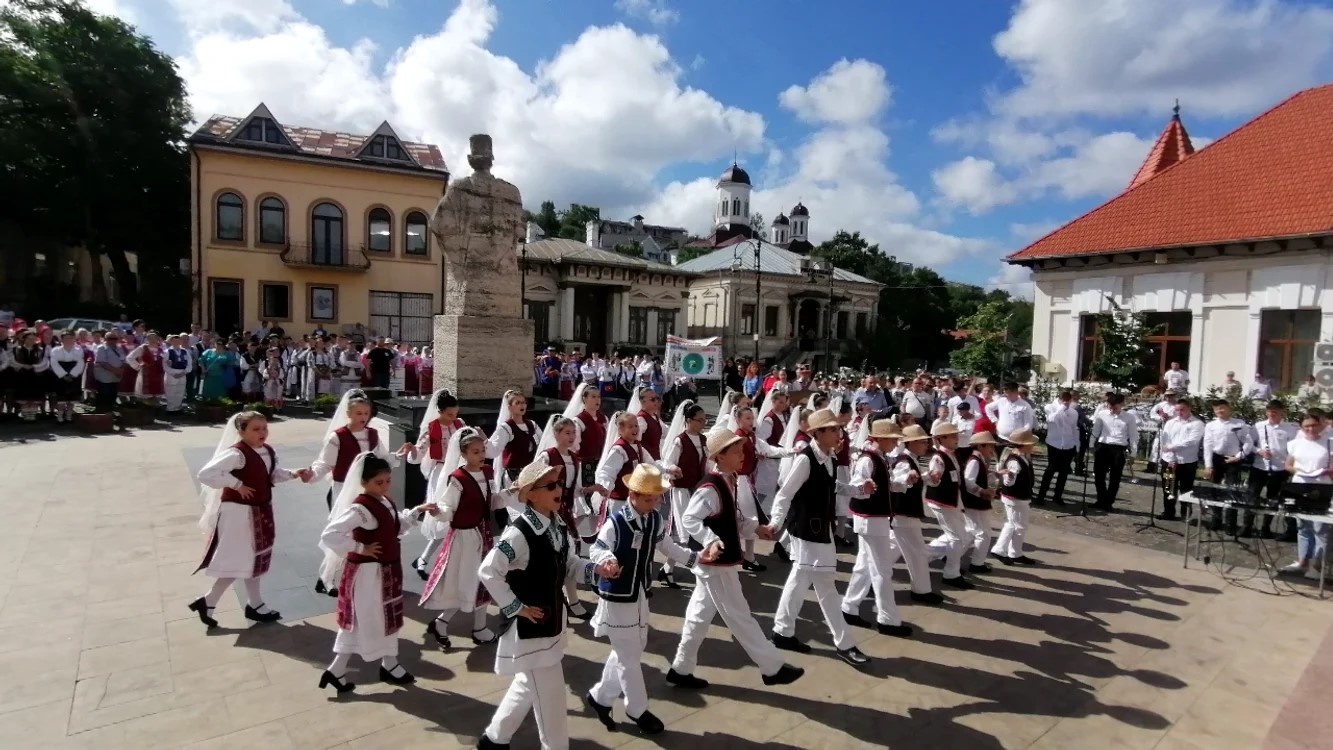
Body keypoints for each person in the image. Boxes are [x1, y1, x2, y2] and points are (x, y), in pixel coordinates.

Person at [475, 463, 615, 750]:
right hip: (531, 630)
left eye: (559, 483)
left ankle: (495, 739)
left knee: (528, 685)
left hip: (550, 623)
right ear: (531, 494)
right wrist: (516, 606)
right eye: (550, 486)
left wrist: (596, 570)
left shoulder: (557, 524)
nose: (559, 489)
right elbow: (488, 571)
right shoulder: (519, 533)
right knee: (551, 698)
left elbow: (569, 564)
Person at [667, 427, 805, 690]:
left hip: (718, 564)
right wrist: (710, 540)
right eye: (736, 451)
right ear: (720, 456)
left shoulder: (729, 481)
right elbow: (689, 518)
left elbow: (735, 519)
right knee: (739, 615)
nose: (742, 455)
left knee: (698, 617)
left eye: (742, 449)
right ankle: (772, 667)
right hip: (716, 565)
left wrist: (755, 528)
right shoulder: (711, 487)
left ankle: (681, 669)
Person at [584, 464, 708, 735]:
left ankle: (600, 697)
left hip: (639, 593)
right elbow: (597, 549)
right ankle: (637, 709)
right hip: (617, 596)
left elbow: (667, 546)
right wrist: (608, 560)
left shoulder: (653, 520)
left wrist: (696, 559)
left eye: (657, 498)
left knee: (632, 648)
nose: (656, 504)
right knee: (629, 655)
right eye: (650, 499)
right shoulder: (616, 523)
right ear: (633, 495)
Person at [318, 453, 438, 692]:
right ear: (364, 482)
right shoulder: (360, 509)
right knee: (367, 620)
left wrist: (417, 510)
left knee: (384, 618)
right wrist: (359, 548)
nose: (384, 486)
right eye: (378, 482)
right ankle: (355, 667)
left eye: (387, 481)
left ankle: (373, 666)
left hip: (386, 571)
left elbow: (395, 526)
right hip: (368, 575)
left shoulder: (384, 502)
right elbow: (330, 534)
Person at [766, 409, 871, 666]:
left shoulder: (829, 457)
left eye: (838, 428)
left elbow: (831, 486)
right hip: (807, 530)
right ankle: (844, 643)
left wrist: (858, 489)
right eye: (833, 429)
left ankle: (782, 631)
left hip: (820, 529)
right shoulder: (806, 459)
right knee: (825, 585)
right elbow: (785, 494)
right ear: (818, 433)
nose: (838, 433)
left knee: (800, 580)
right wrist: (775, 522)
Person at [188, 412, 312, 628]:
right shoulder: (237, 454)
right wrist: (237, 484)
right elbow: (206, 474)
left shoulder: (267, 451)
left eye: (264, 428)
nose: (262, 432)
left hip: (260, 509)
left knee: (252, 558)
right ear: (241, 431)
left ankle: (230, 602)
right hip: (238, 514)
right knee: (242, 558)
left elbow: (272, 475)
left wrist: (294, 473)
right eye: (255, 429)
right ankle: (242, 603)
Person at [309, 390, 408, 593]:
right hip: (343, 491)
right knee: (342, 532)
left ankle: (349, 575)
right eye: (358, 413)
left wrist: (398, 456)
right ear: (348, 414)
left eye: (366, 413)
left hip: (367, 490)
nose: (363, 417)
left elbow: (382, 458)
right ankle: (327, 578)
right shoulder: (338, 437)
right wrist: (311, 474)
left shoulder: (372, 435)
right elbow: (325, 464)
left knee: (361, 533)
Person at [420, 427, 506, 649]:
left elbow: (492, 501)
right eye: (475, 452)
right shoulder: (458, 479)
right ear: (464, 454)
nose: (481, 455)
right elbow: (448, 507)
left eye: (482, 450)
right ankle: (449, 623)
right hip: (464, 538)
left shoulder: (488, 472)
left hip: (483, 535)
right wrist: (438, 512)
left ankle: (476, 627)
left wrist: (511, 493)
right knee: (466, 582)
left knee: (482, 580)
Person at [841, 418, 914, 636]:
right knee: (881, 569)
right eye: (892, 439)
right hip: (871, 518)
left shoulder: (879, 458)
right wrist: (864, 487)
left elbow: (885, 485)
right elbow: (856, 486)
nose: (895, 443)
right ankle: (887, 619)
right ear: (879, 439)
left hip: (875, 518)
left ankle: (849, 606)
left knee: (865, 565)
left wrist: (904, 482)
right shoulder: (868, 460)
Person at [408, 388, 467, 576]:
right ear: (440, 411)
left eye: (455, 414)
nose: (453, 418)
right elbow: (416, 457)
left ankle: (429, 559)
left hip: (459, 471)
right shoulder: (431, 429)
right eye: (449, 414)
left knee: (457, 517)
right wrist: (413, 451)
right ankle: (428, 559)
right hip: (441, 473)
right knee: (443, 516)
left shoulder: (460, 424)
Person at [1278, 416, 1333, 579]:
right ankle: (1303, 561)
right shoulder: (1295, 443)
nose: (1310, 429)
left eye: (1314, 425)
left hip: (1321, 487)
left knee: (1320, 528)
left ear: (1320, 425)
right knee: (1302, 526)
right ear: (1301, 428)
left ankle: (1318, 565)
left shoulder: (1329, 442)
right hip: (1300, 486)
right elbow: (1288, 465)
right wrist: (1300, 471)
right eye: (1306, 426)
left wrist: (1325, 471)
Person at [923, 422, 972, 589]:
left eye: (956, 435)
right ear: (940, 439)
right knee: (956, 538)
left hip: (952, 500)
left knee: (960, 535)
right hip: (942, 502)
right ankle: (951, 573)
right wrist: (934, 479)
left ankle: (924, 556)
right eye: (952, 436)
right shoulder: (938, 458)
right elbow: (933, 480)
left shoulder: (953, 455)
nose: (956, 438)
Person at [1203, 398, 1255, 534]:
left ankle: (1230, 524)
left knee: (1232, 491)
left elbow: (1248, 443)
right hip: (1217, 458)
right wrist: (1208, 465)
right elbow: (1207, 445)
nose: (1219, 411)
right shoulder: (1211, 425)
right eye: (1216, 409)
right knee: (1215, 491)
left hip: (1233, 459)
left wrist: (1238, 456)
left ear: (1229, 408)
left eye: (1222, 408)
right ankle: (1216, 520)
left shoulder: (1239, 423)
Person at [1246, 401, 1297, 539]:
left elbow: (1294, 449)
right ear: (1266, 412)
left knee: (1273, 499)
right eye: (1269, 411)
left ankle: (1265, 527)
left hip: (1279, 469)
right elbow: (1249, 445)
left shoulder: (1290, 428)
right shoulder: (1258, 426)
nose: (1272, 414)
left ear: (1282, 412)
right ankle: (1247, 526)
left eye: (1275, 411)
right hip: (1259, 467)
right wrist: (1259, 451)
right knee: (1252, 497)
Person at [991, 428, 1039, 565]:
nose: (1033, 446)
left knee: (1020, 525)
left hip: (1021, 497)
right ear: (1023, 445)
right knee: (1012, 524)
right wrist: (1009, 475)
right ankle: (999, 549)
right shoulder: (1014, 460)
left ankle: (1015, 552)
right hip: (1014, 497)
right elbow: (1008, 482)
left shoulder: (1023, 457)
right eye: (1030, 443)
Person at [1157, 399, 1204, 521]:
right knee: (1168, 488)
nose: (1179, 412)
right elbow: (1165, 440)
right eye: (1177, 410)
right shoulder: (1170, 423)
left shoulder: (1197, 424)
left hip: (1187, 462)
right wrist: (1170, 457)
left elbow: (1191, 441)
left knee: (1186, 489)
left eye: (1182, 410)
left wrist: (1172, 447)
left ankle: (1186, 514)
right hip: (1169, 460)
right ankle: (1168, 512)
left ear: (1189, 408)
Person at [960, 431, 999, 573]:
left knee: (972, 532)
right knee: (983, 533)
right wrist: (981, 491)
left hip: (976, 502)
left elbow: (980, 477)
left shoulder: (979, 460)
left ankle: (952, 555)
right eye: (990, 446)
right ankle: (977, 563)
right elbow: (968, 481)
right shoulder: (975, 461)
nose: (992, 449)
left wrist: (995, 475)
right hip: (974, 502)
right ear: (981, 446)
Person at [1091, 392, 1138, 510]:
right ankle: (1101, 499)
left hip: (1118, 448)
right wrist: (1091, 444)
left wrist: (1133, 453)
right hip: (1103, 446)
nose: (1112, 410)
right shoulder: (1102, 414)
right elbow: (1095, 431)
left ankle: (1108, 502)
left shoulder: (1129, 417)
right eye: (1110, 407)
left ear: (1121, 404)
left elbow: (1133, 436)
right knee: (1099, 475)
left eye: (1115, 408)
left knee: (1115, 477)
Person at [1036, 391, 1080, 506]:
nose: (1066, 403)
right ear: (1060, 399)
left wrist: (1077, 445)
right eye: (1064, 400)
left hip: (1068, 444)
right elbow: (1051, 420)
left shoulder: (1073, 412)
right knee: (1050, 470)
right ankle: (1041, 496)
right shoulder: (1050, 407)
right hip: (1054, 443)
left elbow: (1074, 429)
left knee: (1064, 471)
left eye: (1068, 400)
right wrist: (1061, 408)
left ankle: (1057, 496)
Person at [47, 330, 85, 423]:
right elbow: (54, 363)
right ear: (62, 340)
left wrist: (73, 374)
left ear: (74, 339)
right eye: (66, 338)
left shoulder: (78, 350)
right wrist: (63, 375)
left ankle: (69, 415)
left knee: (72, 398)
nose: (69, 340)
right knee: (61, 397)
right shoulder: (55, 350)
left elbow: (80, 363)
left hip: (74, 375)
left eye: (71, 338)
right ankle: (60, 416)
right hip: (60, 376)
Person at [162, 334, 193, 413]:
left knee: (180, 392)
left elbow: (189, 363)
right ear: (171, 342)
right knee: (171, 392)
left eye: (178, 340)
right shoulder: (167, 352)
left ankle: (178, 408)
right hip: (172, 374)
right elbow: (165, 365)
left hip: (182, 373)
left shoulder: (185, 351)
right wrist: (173, 373)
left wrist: (184, 372)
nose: (176, 342)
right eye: (174, 341)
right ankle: (170, 409)